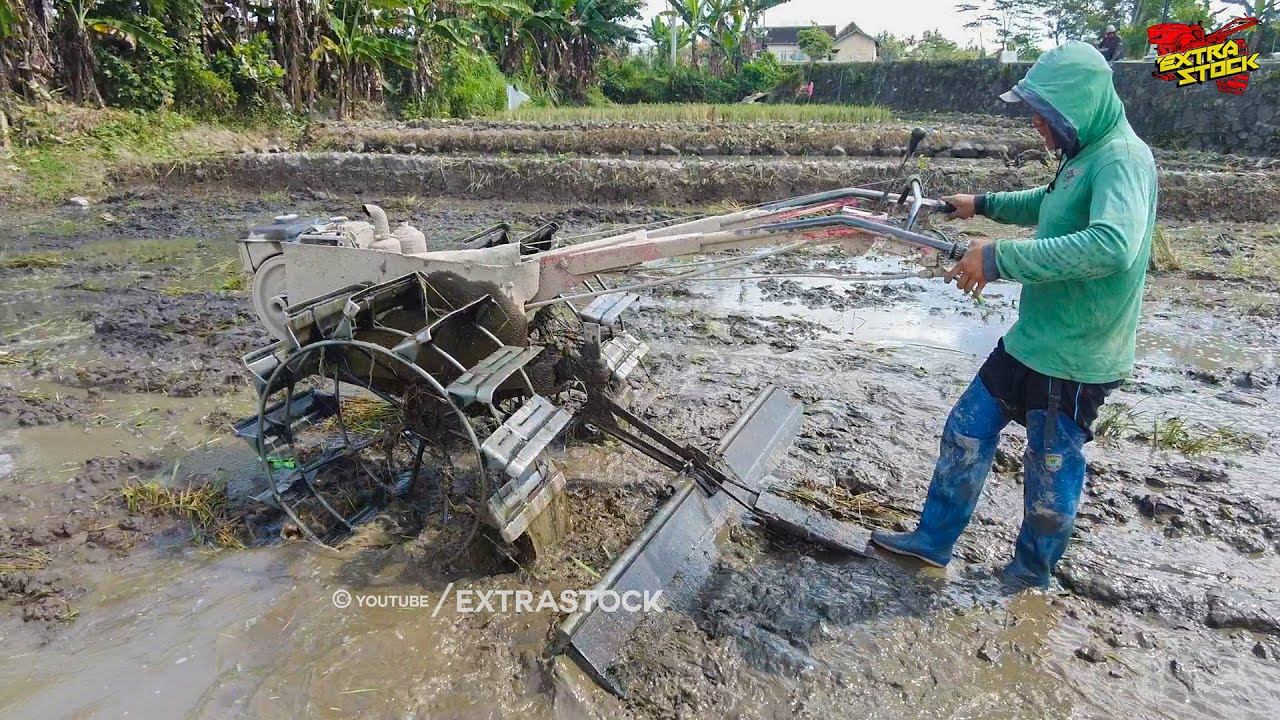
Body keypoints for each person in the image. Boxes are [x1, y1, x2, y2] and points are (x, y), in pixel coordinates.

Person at [868, 40, 1158, 590]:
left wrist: (998, 259)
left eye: (1047, 114)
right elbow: (1049, 204)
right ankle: (932, 542)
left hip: (1076, 355)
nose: (1037, 123)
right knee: (966, 429)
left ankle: (1030, 576)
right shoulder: (1084, 153)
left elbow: (1113, 245)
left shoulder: (1122, 159)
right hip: (1034, 338)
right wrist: (982, 204)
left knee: (1049, 470)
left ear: (1080, 108)